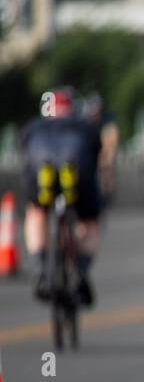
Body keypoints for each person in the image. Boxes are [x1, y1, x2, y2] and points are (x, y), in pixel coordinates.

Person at [21, 87, 103, 306]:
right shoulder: (84, 126)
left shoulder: (33, 127)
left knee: (36, 211)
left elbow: (25, 157)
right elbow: (96, 159)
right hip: (76, 164)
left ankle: (39, 267)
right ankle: (82, 272)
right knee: (90, 221)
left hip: (41, 162)